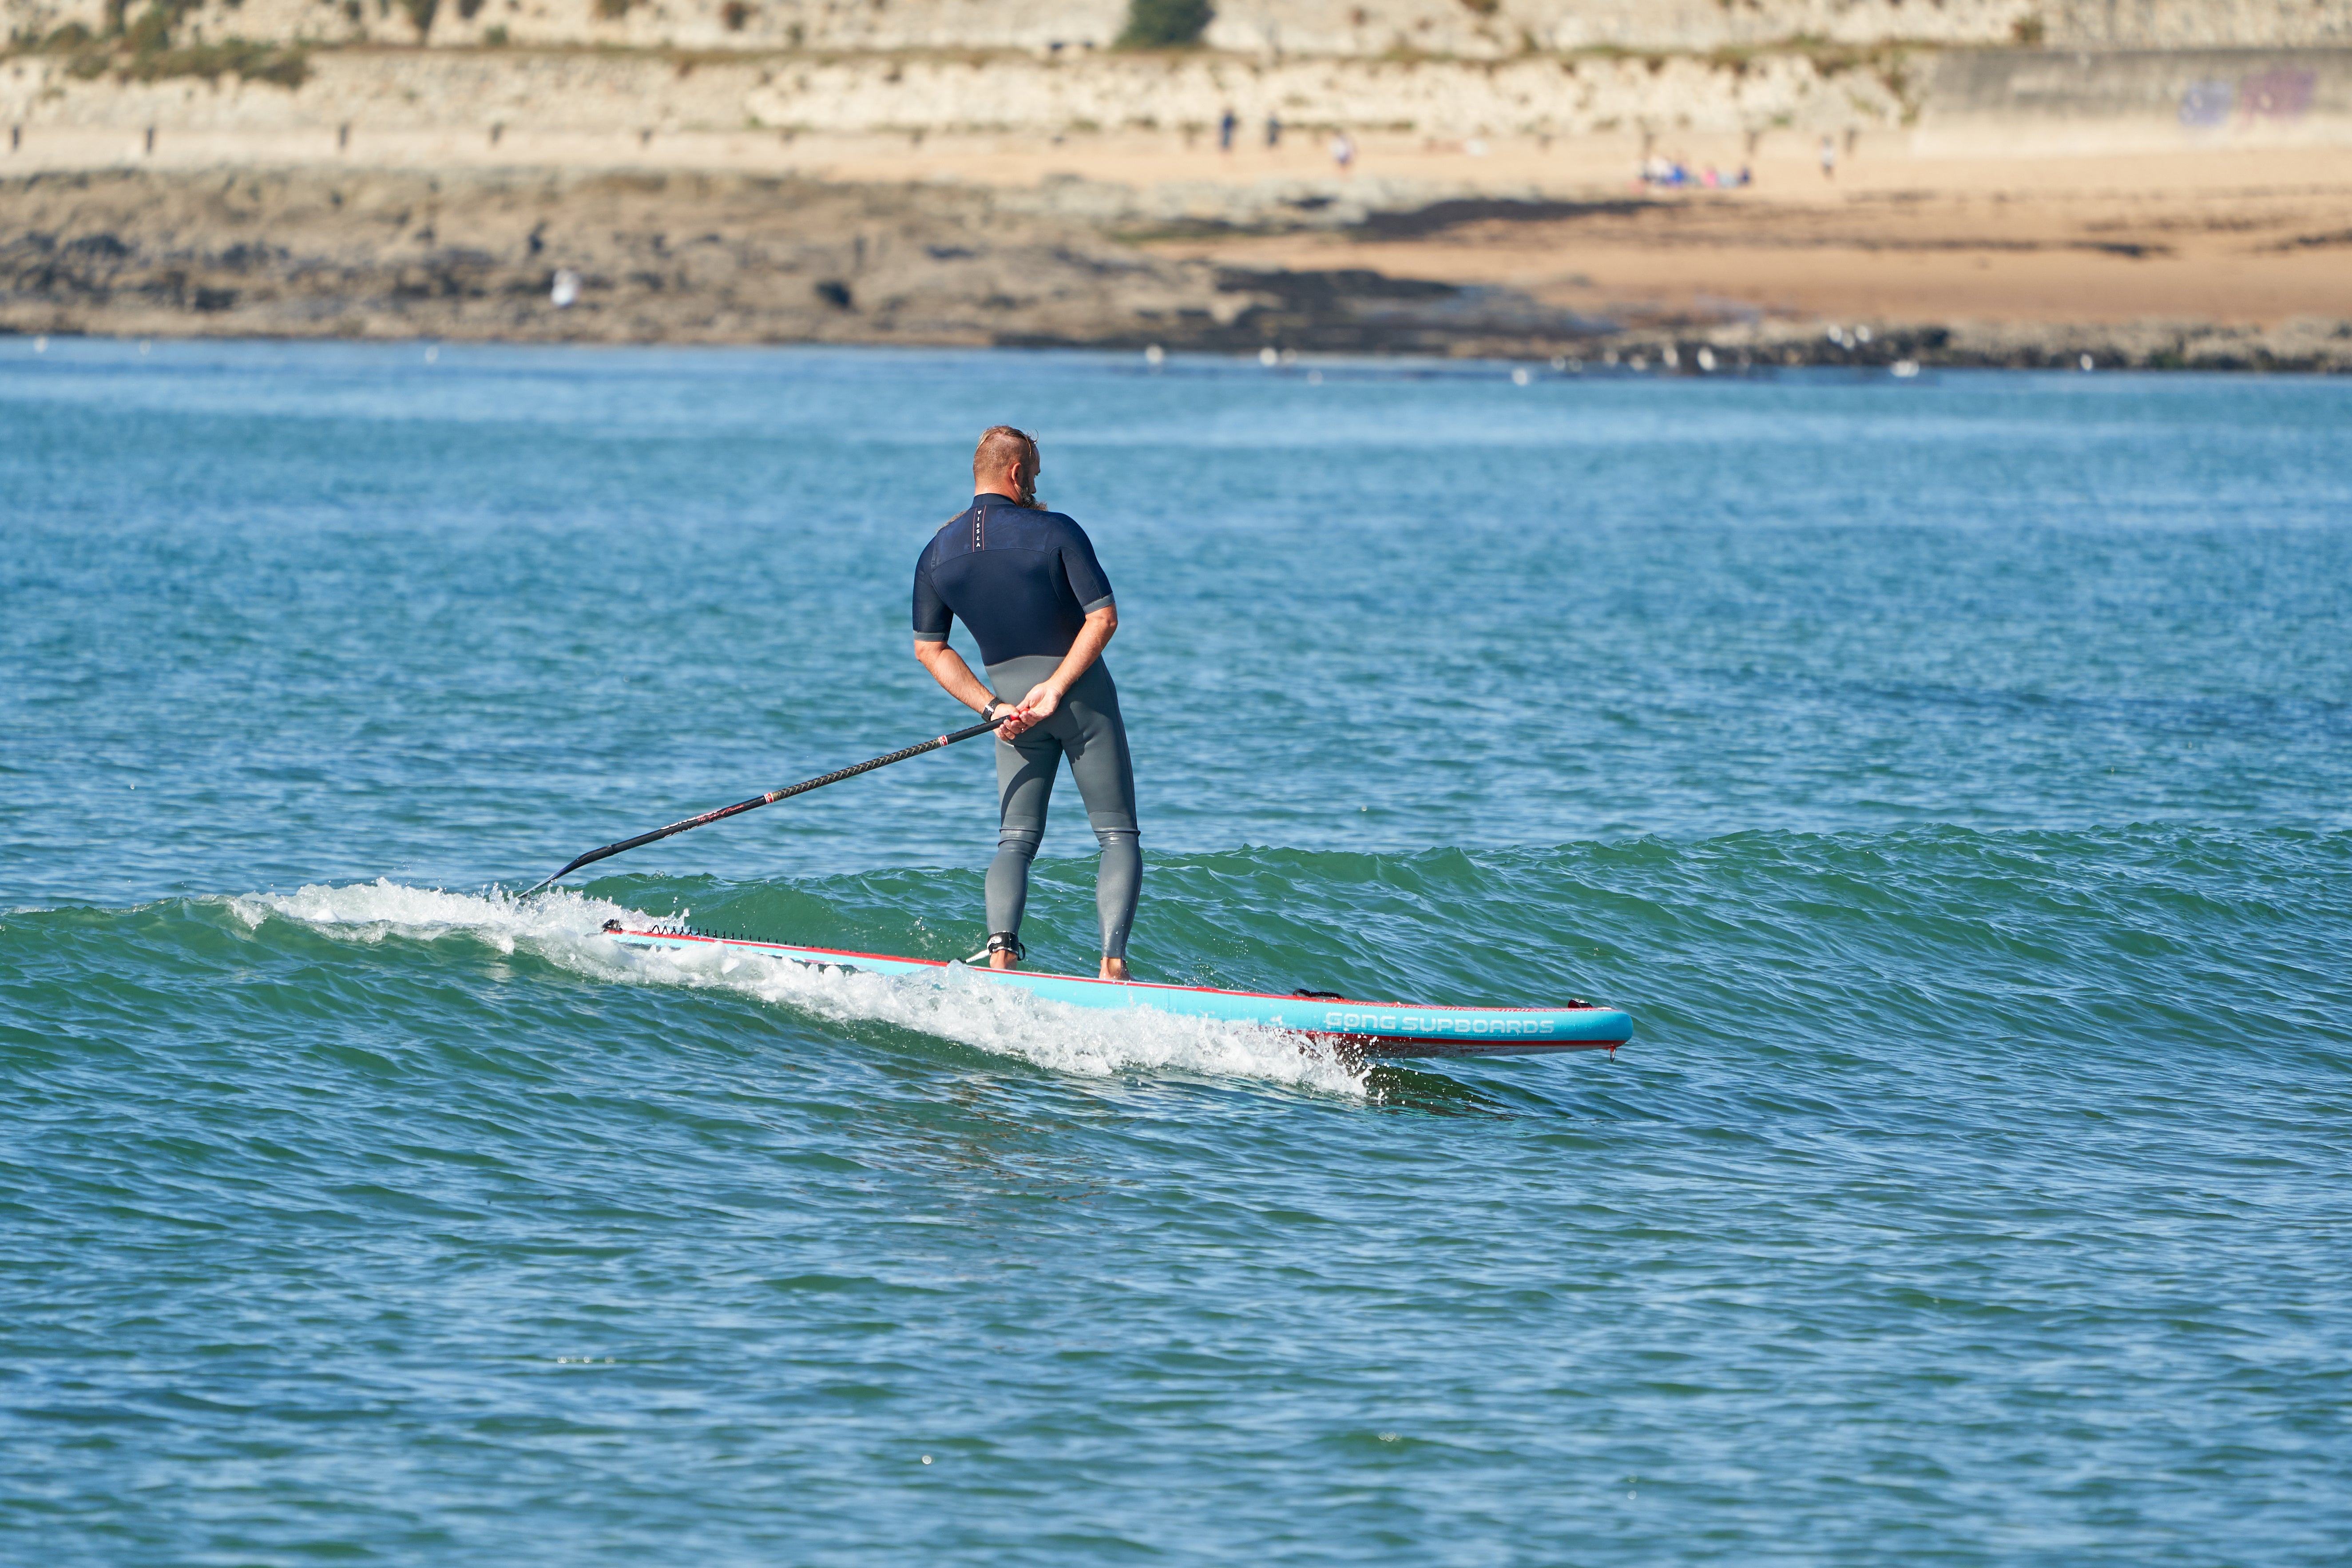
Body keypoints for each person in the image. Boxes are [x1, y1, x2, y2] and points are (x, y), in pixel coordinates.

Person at [912, 427, 1139, 981]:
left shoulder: (936, 552)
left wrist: (990, 708)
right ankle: (1111, 966)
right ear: (1016, 473)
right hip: (1078, 698)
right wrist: (1058, 687)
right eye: (1034, 471)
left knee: (1015, 839)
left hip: (1011, 713)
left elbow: (929, 649)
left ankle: (1001, 959)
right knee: (1115, 835)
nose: (1037, 482)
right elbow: (1102, 618)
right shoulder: (1055, 531)